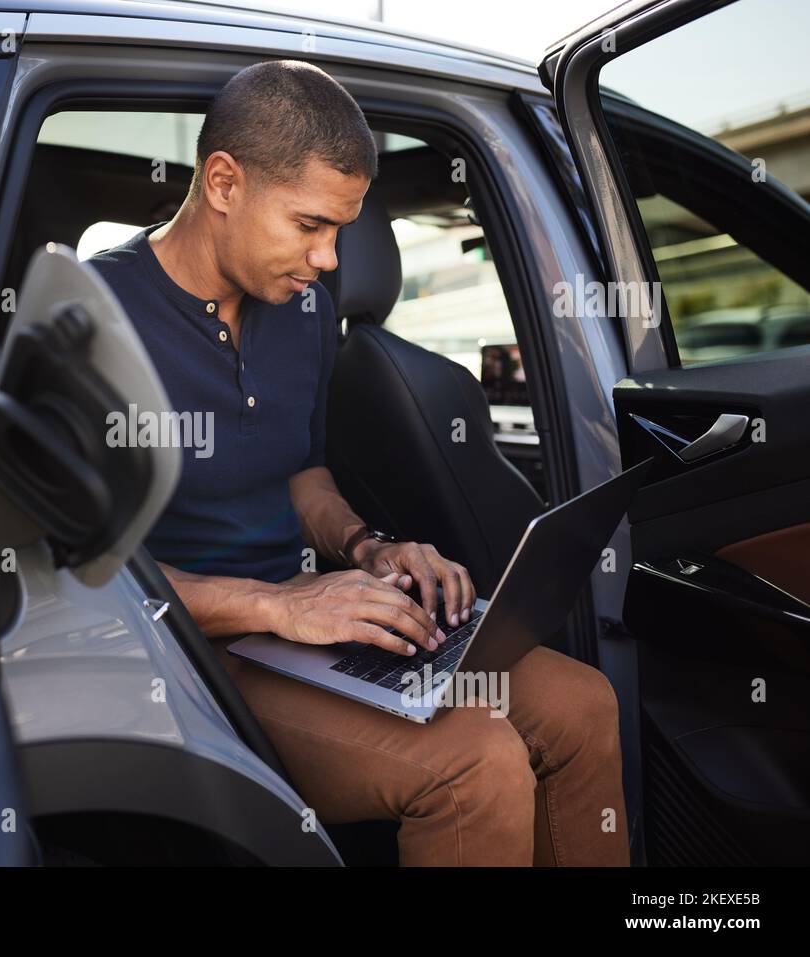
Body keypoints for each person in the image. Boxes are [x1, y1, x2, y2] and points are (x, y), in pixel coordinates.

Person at [88, 59, 628, 866]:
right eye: (310, 225)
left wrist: (368, 549)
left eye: (341, 230)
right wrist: (278, 606)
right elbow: (83, 574)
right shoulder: (92, 322)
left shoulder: (302, 307)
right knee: (475, 764)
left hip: (306, 622)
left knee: (583, 703)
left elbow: (303, 476)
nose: (331, 259)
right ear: (224, 183)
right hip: (184, 654)